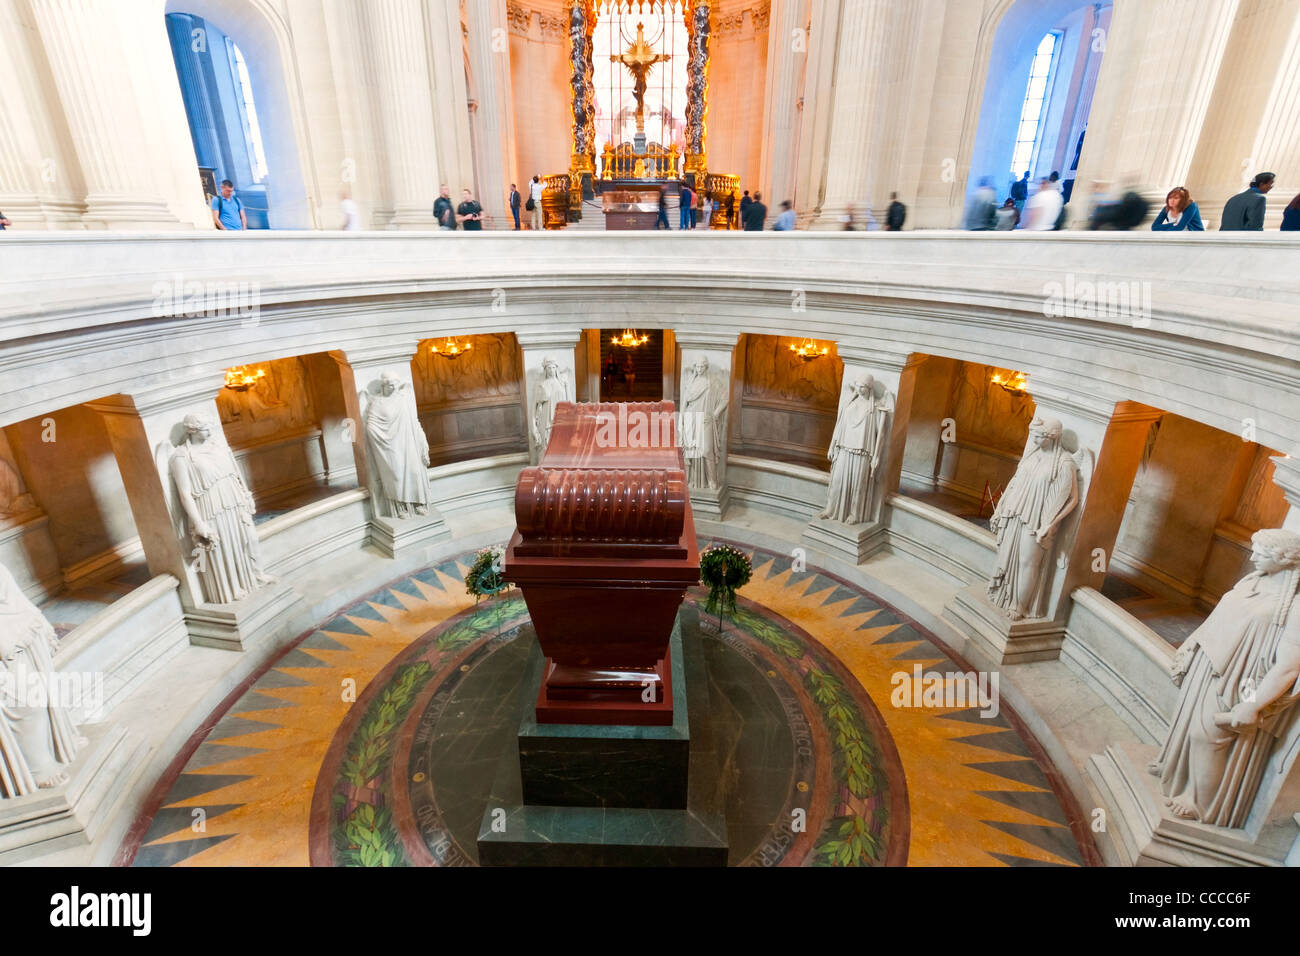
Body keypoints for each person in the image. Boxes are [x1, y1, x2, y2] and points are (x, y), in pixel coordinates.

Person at [1148, 529, 1300, 828]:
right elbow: (1219, 618)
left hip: (1239, 682)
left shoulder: (1295, 608)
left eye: (1263, 553)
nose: (1253, 557)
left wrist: (1252, 705)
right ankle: (1175, 770)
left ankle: (1200, 802)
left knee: (1207, 737)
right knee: (1188, 723)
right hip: (1211, 666)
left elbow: (1289, 667)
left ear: (1287, 561)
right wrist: (1192, 645)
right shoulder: (1253, 581)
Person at [363, 372, 431, 518]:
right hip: (389, 446)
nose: (393, 388)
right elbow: (371, 425)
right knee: (396, 476)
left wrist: (422, 441)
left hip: (408, 443)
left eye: (395, 385)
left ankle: (418, 504)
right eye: (390, 386)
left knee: (414, 472)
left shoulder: (403, 399)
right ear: (384, 385)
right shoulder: (377, 402)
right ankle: (401, 507)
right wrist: (380, 438)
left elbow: (414, 420)